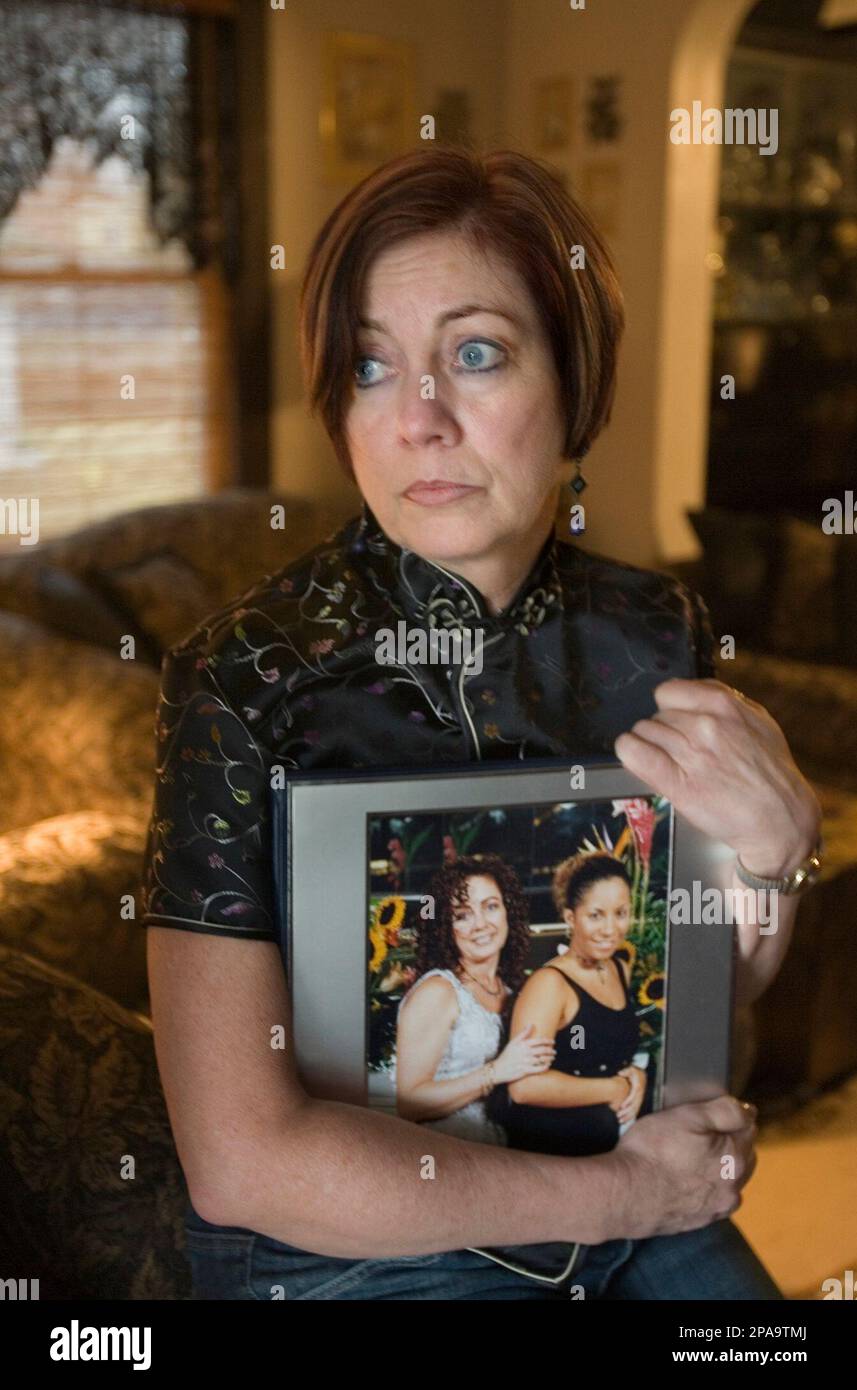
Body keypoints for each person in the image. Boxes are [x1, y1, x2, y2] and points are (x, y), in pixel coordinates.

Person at [142, 145, 822, 1300]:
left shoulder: (659, 633)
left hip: (631, 1206)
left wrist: (777, 854)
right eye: (370, 363)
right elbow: (241, 1159)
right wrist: (623, 1193)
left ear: (575, 386)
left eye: (473, 353)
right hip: (348, 1254)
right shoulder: (240, 676)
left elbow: (705, 1009)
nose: (417, 418)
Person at [395, 855, 554, 1146]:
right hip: (446, 1156)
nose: (480, 924)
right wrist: (495, 1073)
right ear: (446, 925)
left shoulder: (511, 990)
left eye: (490, 907)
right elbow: (409, 1103)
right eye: (462, 914)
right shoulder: (438, 991)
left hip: (497, 1155)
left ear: (508, 912)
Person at [504, 852, 646, 1158]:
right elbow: (524, 1087)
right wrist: (614, 1088)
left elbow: (606, 1050)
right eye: (596, 915)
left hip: (609, 1144)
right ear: (571, 917)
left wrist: (636, 1074)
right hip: (554, 1152)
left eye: (620, 913)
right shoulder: (549, 984)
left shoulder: (620, 966)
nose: (611, 929)